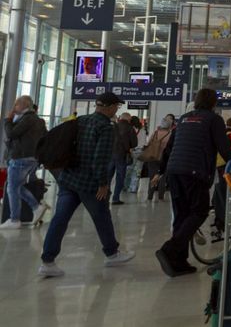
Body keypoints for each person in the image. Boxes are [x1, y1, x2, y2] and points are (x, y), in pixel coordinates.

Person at [39, 92, 136, 277]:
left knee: (59, 219)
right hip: (89, 183)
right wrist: (103, 183)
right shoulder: (106, 127)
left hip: (68, 179)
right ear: (107, 106)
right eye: (116, 106)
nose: (117, 109)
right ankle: (112, 254)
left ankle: (47, 261)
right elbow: (100, 158)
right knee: (102, 216)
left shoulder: (80, 120)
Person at [155, 87, 231, 277]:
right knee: (199, 212)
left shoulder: (183, 119)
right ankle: (170, 249)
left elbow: (169, 148)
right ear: (213, 103)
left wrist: (161, 171)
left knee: (181, 214)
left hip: (174, 171)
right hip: (195, 171)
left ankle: (178, 261)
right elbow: (223, 146)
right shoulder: (214, 119)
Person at [2, 95, 47, 229]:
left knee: (12, 188)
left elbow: (11, 134)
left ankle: (15, 219)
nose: (14, 108)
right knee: (17, 186)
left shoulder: (27, 119)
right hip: (32, 158)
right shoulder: (39, 121)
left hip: (20, 158)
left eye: (16, 105)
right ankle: (36, 207)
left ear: (24, 105)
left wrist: (8, 120)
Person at [139, 114, 175, 202]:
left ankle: (150, 196)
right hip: (164, 158)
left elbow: (148, 143)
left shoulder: (155, 133)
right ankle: (161, 196)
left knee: (152, 176)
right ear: (170, 125)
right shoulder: (170, 135)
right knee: (162, 177)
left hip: (153, 157)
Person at [109, 112, 138, 204]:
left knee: (107, 177)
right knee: (120, 177)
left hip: (110, 154)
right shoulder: (130, 128)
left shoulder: (112, 127)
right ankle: (115, 198)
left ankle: (104, 197)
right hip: (122, 155)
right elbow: (134, 144)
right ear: (129, 119)